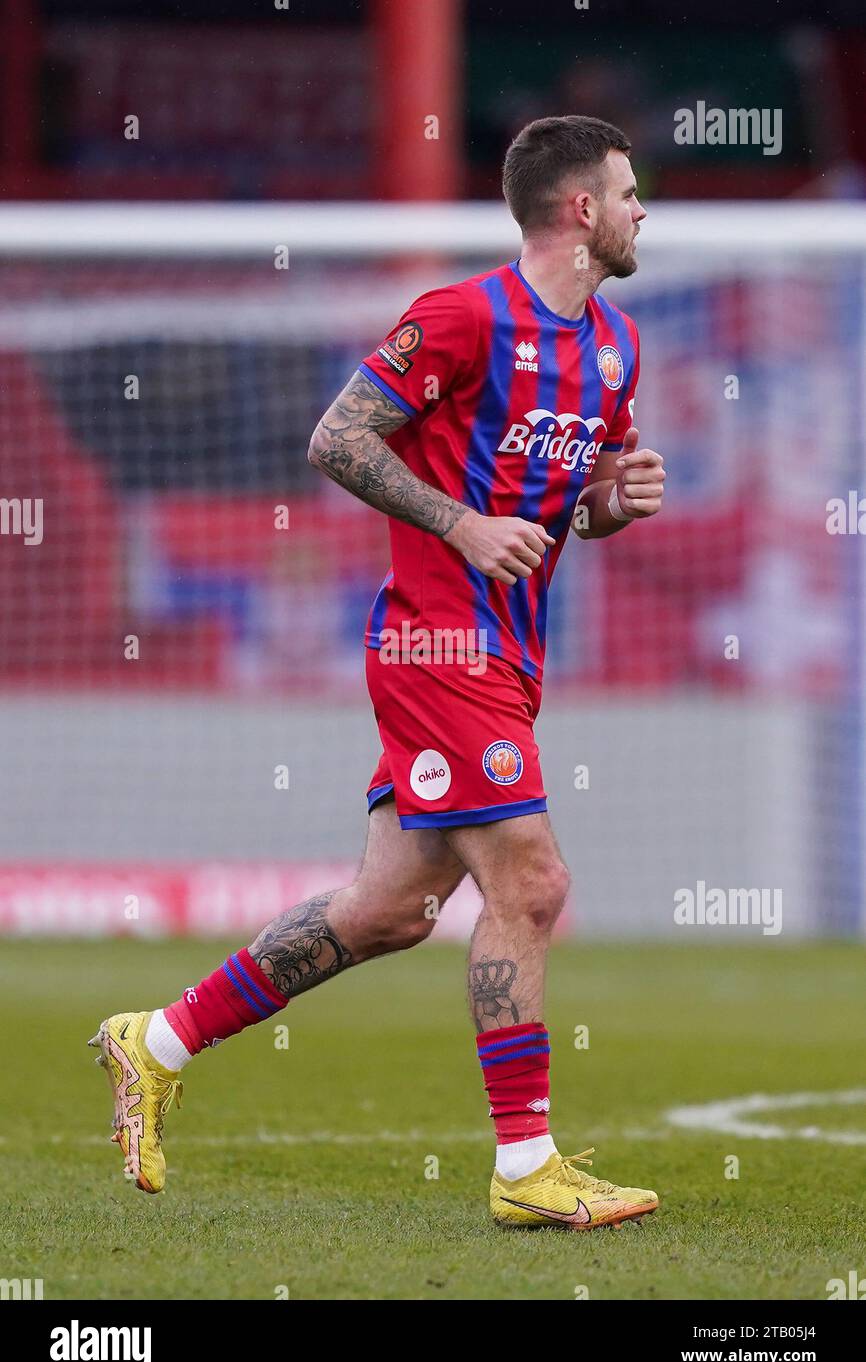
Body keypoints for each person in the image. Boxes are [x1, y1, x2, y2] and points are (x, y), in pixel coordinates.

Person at [90, 114, 666, 1230]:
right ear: (579, 209)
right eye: (630, 190)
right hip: (435, 644)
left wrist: (611, 507)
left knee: (389, 910)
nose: (644, 208)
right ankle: (525, 1165)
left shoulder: (613, 348)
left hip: (510, 649)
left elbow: (570, 512)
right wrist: (457, 523)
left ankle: (152, 1041)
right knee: (531, 883)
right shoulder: (459, 317)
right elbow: (338, 439)